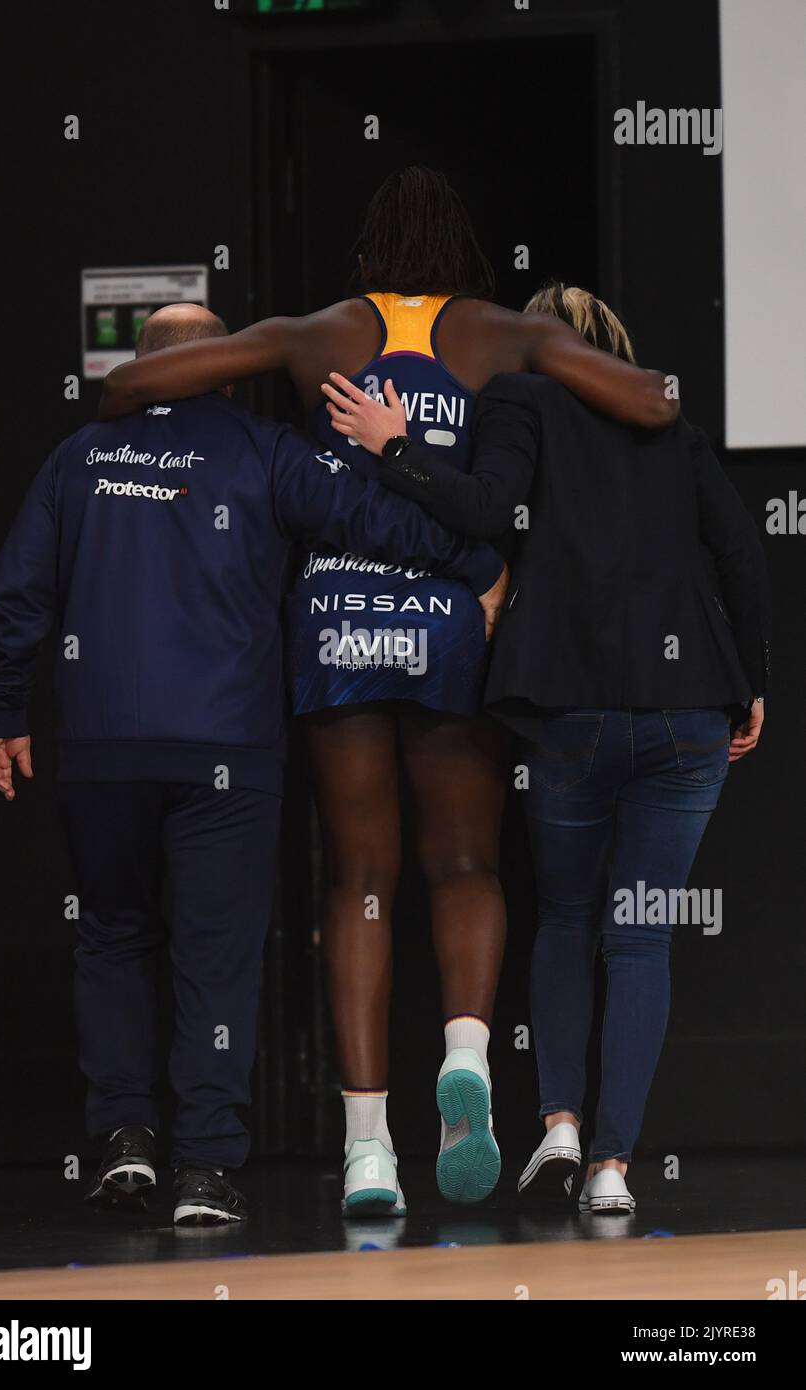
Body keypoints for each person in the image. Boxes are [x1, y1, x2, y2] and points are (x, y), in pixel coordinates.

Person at [97, 169, 679, 1215]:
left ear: (367, 254)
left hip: (337, 621)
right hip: (458, 618)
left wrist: (152, 404)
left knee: (359, 876)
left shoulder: (318, 331)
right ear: (461, 255)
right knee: (463, 863)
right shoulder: (501, 335)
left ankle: (367, 1145)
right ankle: (467, 1055)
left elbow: (135, 386)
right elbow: (649, 398)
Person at [0, 304, 507, 1227]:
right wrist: (477, 563)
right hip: (224, 750)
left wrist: (1, 710)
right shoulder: (264, 451)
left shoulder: (76, 459)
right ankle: (207, 1173)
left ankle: (126, 1144)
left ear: (143, 370)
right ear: (225, 370)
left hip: (103, 749)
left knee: (111, 937)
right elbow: (371, 519)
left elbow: (19, 590)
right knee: (214, 956)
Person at [322, 282, 771, 1214]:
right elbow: (742, 550)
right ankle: (612, 1171)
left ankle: (559, 1124)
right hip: (688, 708)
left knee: (566, 917)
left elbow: (484, 510)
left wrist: (392, 446)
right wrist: (751, 677)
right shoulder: (670, 423)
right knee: (641, 938)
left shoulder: (520, 399)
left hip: (568, 708)